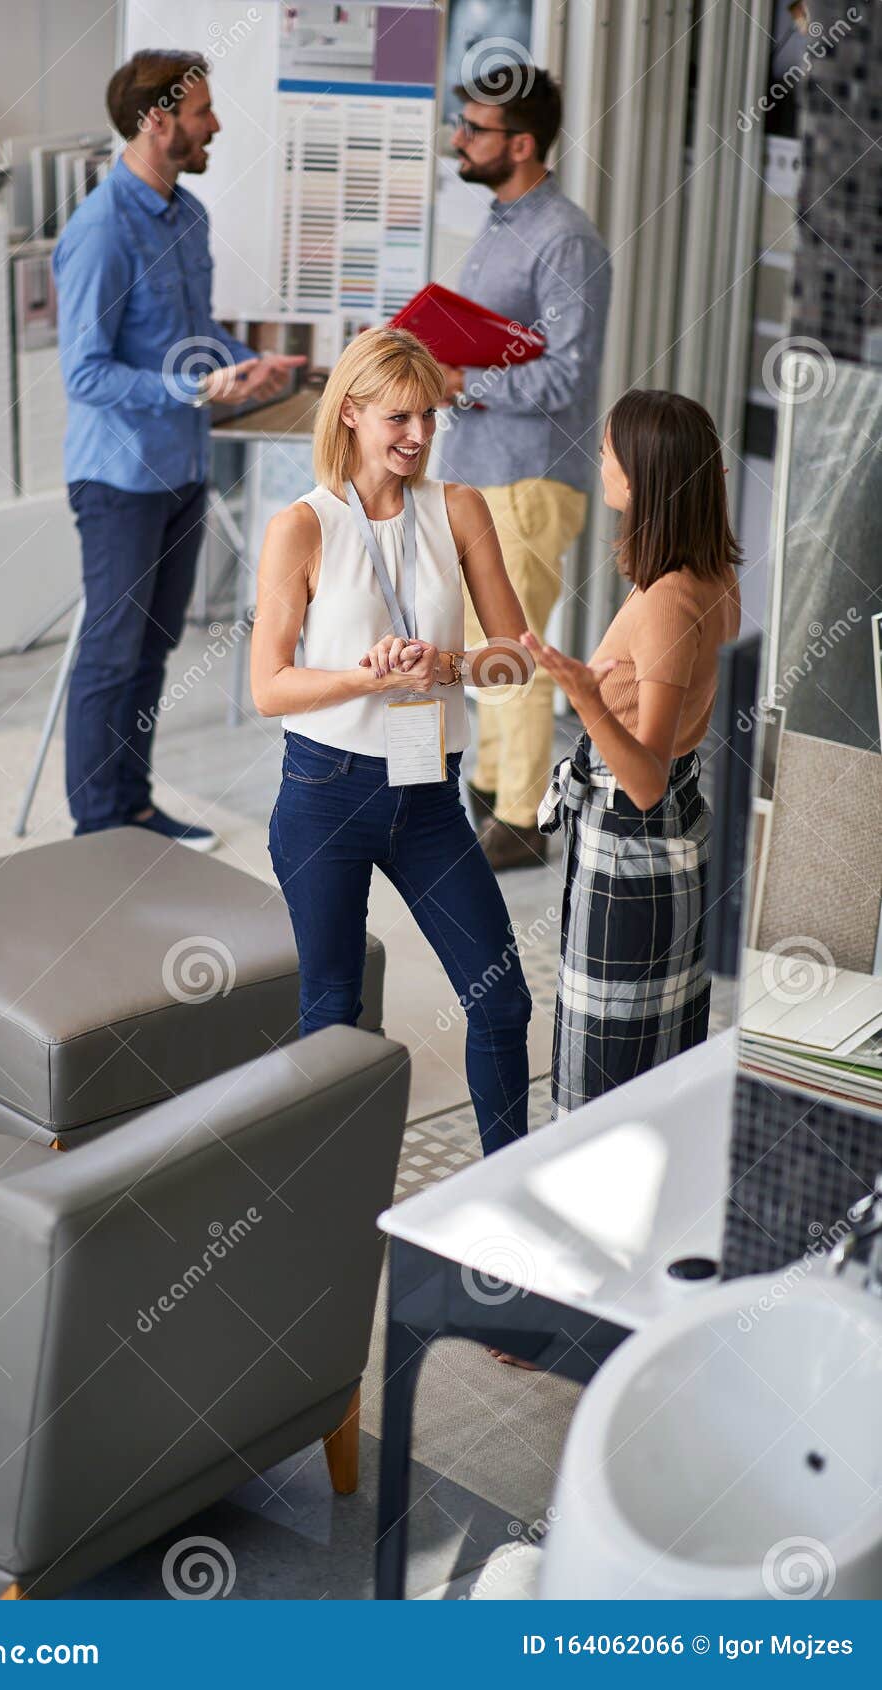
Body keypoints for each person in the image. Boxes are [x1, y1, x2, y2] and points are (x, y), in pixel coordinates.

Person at [250, 328, 538, 1158]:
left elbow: (517, 656)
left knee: (501, 1000)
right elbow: (270, 687)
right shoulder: (300, 528)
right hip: (324, 795)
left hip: (429, 799)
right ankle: (323, 1203)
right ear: (350, 414)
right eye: (399, 419)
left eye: (430, 417)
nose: (418, 435)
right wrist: (365, 678)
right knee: (333, 1015)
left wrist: (445, 663)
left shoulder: (458, 509)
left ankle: (504, 1179)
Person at [54, 50, 304, 846]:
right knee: (111, 652)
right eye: (201, 112)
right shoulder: (99, 230)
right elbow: (84, 373)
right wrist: (192, 389)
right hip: (119, 478)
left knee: (155, 649)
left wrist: (240, 362)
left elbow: (192, 336)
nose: (215, 125)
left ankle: (132, 807)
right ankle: (97, 829)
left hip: (185, 468)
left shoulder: (188, 215)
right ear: (155, 121)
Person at [522, 389, 742, 1117]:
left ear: (644, 478)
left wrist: (582, 694)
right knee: (658, 1070)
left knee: (600, 1083)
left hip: (634, 847)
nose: (599, 461)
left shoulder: (667, 602)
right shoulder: (711, 576)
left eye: (609, 453)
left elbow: (642, 779)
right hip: (672, 838)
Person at [437, 65, 611, 872]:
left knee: (516, 648)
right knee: (483, 644)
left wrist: (461, 381)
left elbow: (566, 376)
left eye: (472, 130)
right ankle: (490, 792)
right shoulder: (504, 220)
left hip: (531, 476)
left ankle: (520, 822)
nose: (457, 140)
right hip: (480, 468)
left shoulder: (564, 238)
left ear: (521, 144)